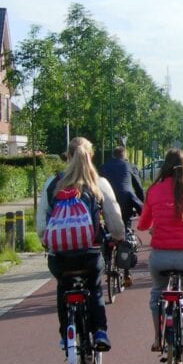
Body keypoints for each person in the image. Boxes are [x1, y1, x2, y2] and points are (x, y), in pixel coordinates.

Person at [37, 136, 125, 351]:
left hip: (60, 257)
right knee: (94, 288)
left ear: (66, 156)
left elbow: (41, 224)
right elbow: (114, 220)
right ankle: (100, 333)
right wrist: (118, 237)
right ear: (91, 156)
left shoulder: (52, 183)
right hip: (90, 253)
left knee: (63, 287)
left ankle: (65, 335)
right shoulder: (99, 184)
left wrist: (47, 241)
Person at [137, 148, 183, 351]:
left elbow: (143, 223)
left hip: (161, 256)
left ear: (164, 167)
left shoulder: (154, 190)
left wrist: (145, 226)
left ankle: (157, 339)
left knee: (157, 293)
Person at [99, 145, 145, 286]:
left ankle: (107, 262)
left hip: (107, 201)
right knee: (125, 232)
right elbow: (138, 187)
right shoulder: (130, 166)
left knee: (108, 231)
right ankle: (126, 273)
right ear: (125, 155)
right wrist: (143, 205)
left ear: (113, 155)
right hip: (125, 201)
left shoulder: (103, 167)